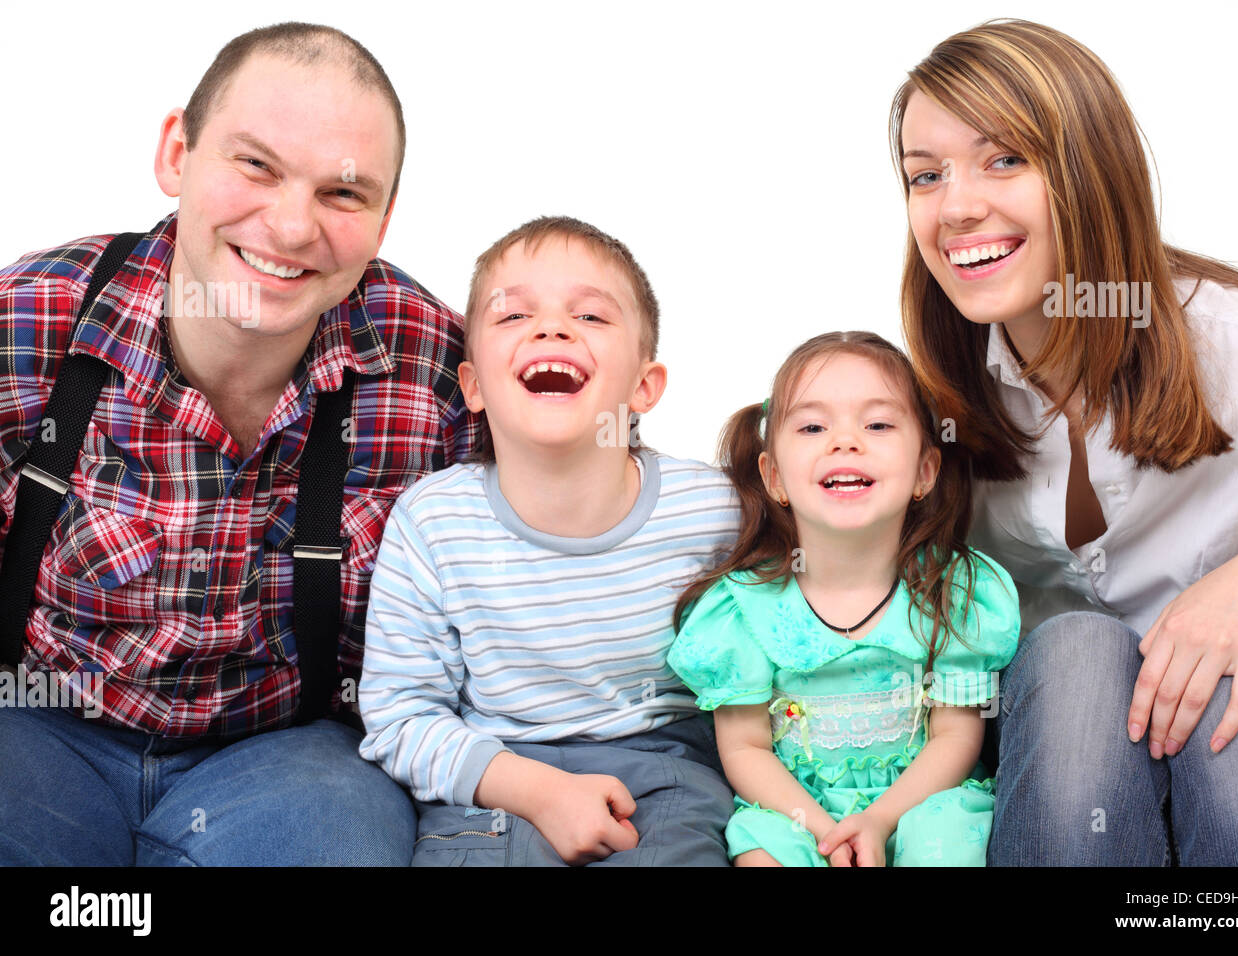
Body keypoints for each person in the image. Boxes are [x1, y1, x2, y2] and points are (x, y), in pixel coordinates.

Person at [0, 22, 476, 865]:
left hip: (296, 763)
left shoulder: (444, 369)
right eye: (255, 166)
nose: (291, 228)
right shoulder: (27, 317)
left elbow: (563, 555)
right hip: (37, 733)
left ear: (385, 217)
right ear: (177, 153)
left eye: (343, 194)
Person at [891, 18, 1238, 864]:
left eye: (1005, 159)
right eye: (925, 175)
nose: (957, 205)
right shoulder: (929, 398)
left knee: (1234, 712)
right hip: (1055, 750)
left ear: (1089, 170)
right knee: (1077, 649)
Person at [358, 215, 742, 866]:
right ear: (474, 387)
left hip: (665, 773)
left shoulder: (712, 511)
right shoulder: (432, 522)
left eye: (591, 317)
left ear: (644, 387)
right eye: (512, 317)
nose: (552, 328)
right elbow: (401, 717)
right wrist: (535, 791)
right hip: (493, 780)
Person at [667, 331, 1020, 866]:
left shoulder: (956, 594)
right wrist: (827, 834)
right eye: (813, 426)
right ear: (775, 477)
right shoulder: (742, 610)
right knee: (761, 852)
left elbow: (955, 736)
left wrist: (879, 822)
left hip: (920, 805)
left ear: (925, 471)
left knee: (944, 844)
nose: (845, 441)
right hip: (795, 810)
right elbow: (746, 748)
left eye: (877, 424)